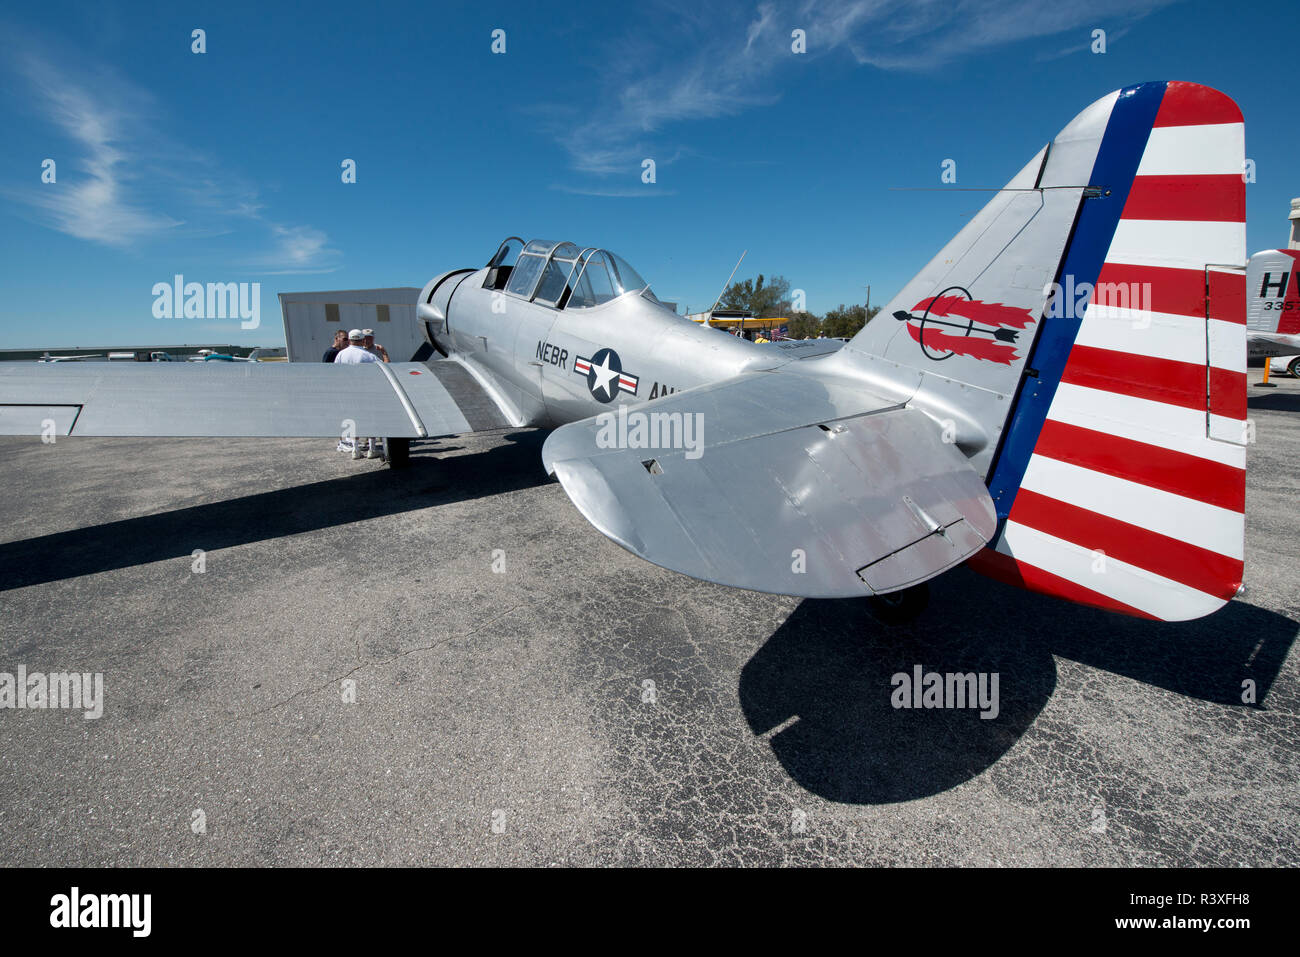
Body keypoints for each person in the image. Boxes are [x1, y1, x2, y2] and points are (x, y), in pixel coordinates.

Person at [333, 329, 383, 459]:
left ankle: (355, 449)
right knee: (370, 419)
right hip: (367, 393)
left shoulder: (341, 355)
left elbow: (335, 373)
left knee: (353, 420)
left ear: (350, 340)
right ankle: (372, 449)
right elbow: (382, 370)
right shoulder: (369, 356)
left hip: (348, 393)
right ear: (362, 340)